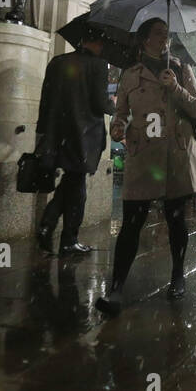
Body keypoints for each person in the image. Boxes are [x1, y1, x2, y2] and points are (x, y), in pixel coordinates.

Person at [96, 18, 196, 315]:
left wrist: (176, 89)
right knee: (131, 224)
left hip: (176, 155)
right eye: (159, 33)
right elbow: (120, 113)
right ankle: (117, 288)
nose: (165, 38)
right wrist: (117, 128)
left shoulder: (181, 69)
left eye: (167, 34)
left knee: (176, 222)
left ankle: (178, 275)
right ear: (145, 39)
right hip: (143, 155)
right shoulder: (130, 74)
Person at [34, 35, 113, 257]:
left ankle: (52, 228)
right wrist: (112, 105)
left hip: (58, 134)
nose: (103, 47)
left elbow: (45, 98)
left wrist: (43, 131)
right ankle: (64, 236)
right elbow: (99, 103)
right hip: (83, 135)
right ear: (94, 42)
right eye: (102, 43)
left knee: (71, 183)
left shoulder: (57, 62)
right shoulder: (98, 65)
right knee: (76, 187)